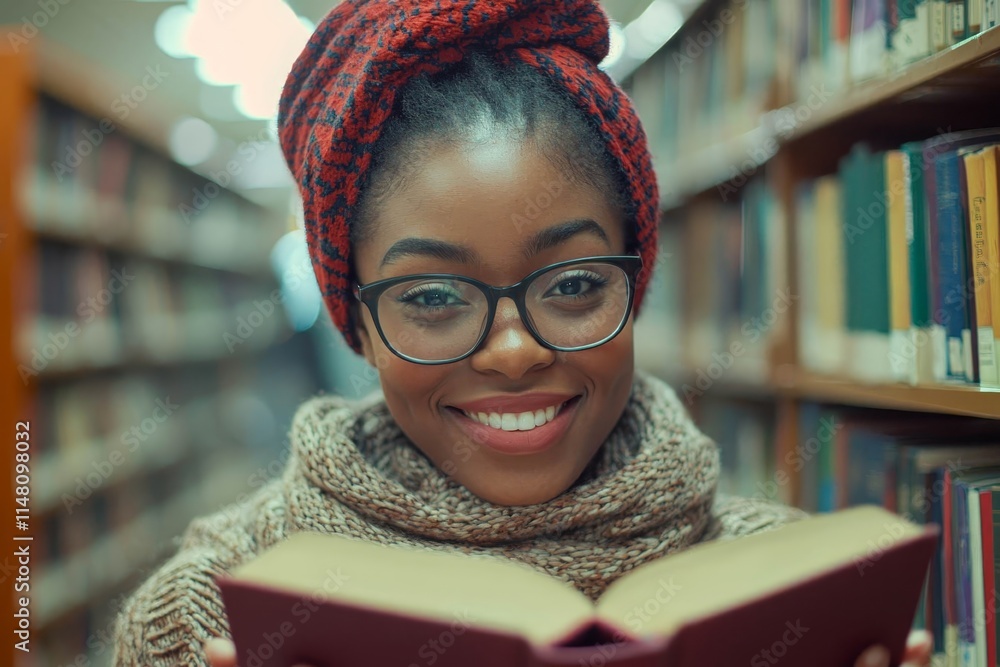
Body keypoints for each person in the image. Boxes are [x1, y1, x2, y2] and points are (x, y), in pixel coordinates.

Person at [111, 1, 933, 666]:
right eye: (433, 296)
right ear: (357, 320)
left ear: (635, 285)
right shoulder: (206, 618)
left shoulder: (798, 600)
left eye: (574, 285)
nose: (513, 350)